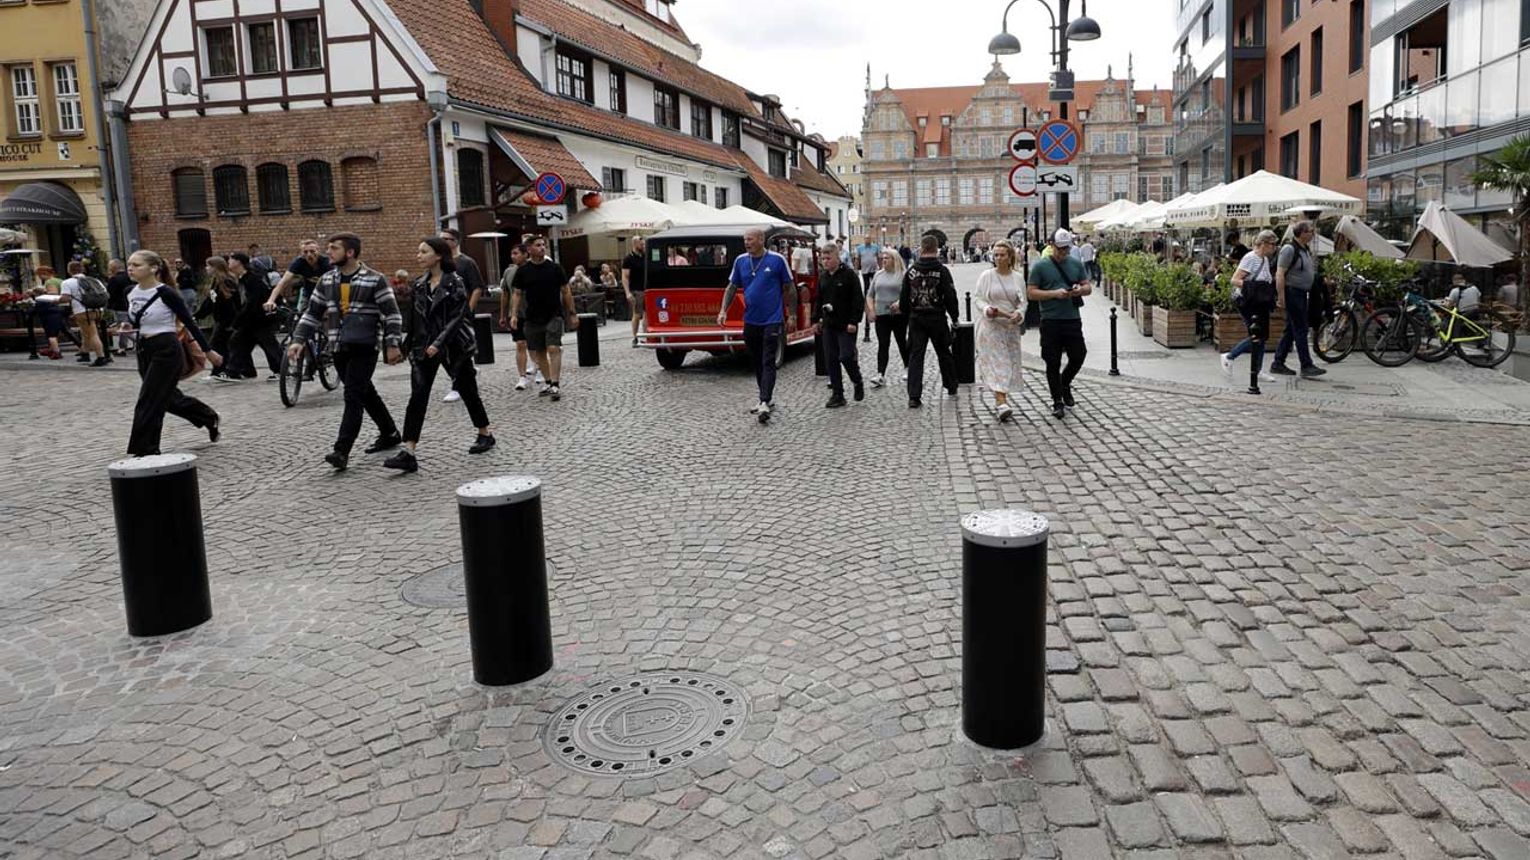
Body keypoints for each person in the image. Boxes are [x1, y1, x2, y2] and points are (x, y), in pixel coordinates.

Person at [288, 233, 404, 471]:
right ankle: (390, 432)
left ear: (350, 253)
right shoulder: (327, 280)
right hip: (338, 346)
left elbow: (392, 315)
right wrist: (298, 339)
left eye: (334, 248)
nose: (328, 252)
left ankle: (341, 450)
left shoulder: (375, 279)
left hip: (365, 346)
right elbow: (312, 313)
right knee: (364, 392)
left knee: (352, 395)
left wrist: (392, 344)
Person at [385, 238, 496, 473]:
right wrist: (405, 347)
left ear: (438, 256)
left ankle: (484, 432)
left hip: (454, 347)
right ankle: (409, 450)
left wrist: (439, 343)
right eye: (418, 251)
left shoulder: (455, 283)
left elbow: (458, 317)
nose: (419, 255)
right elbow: (413, 321)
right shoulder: (418, 285)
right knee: (418, 396)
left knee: (467, 390)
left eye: (424, 251)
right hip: (424, 348)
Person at [120, 250, 223, 456]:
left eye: (137, 265)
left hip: (166, 348)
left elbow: (189, 322)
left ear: (154, 268)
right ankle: (207, 416)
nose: (131, 268)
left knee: (149, 399)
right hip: (144, 348)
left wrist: (208, 351)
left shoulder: (166, 293)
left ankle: (146, 450)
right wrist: (126, 325)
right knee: (167, 398)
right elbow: (138, 318)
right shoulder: (130, 291)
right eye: (129, 264)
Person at [717, 227, 796, 422]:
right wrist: (723, 311)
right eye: (745, 240)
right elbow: (732, 287)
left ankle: (764, 400)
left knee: (768, 359)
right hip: (751, 320)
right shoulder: (740, 261)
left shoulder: (777, 260)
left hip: (772, 319)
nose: (747, 243)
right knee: (758, 360)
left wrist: (792, 314)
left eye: (750, 239)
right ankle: (765, 398)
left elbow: (790, 288)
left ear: (761, 240)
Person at [1027, 229, 1093, 419]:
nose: (1064, 252)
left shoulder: (1074, 263)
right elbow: (1031, 292)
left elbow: (1087, 287)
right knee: (1052, 362)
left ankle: (1065, 383)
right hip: (1050, 320)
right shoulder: (1040, 266)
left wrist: (1080, 290)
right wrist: (1054, 294)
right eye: (1060, 248)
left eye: (1066, 248)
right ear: (1051, 245)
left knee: (1079, 355)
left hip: (1072, 319)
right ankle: (1057, 401)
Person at [507, 236, 577, 402]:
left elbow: (566, 291)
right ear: (529, 249)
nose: (542, 248)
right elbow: (516, 293)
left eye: (543, 245)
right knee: (539, 351)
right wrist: (514, 314)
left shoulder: (555, 268)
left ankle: (555, 384)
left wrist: (572, 313)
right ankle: (547, 381)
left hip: (554, 314)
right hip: (532, 316)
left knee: (553, 347)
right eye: (538, 245)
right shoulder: (523, 271)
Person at [893, 234, 959, 408]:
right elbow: (950, 296)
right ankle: (951, 386)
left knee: (916, 357)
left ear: (921, 249)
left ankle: (914, 396)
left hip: (917, 319)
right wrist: (955, 317)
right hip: (937, 317)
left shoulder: (911, 271)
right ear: (936, 249)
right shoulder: (942, 271)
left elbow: (904, 298)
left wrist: (908, 316)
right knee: (944, 352)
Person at [1221, 230, 1281, 395]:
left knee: (1262, 336)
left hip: (1259, 303)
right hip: (1248, 302)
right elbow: (1235, 279)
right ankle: (1230, 356)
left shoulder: (1264, 259)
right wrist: (1254, 288)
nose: (1274, 247)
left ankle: (1258, 370)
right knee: (1257, 335)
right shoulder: (1250, 258)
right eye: (1272, 244)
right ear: (1262, 244)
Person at [975, 239, 1027, 422]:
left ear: (1010, 256)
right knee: (998, 362)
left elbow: (1023, 302)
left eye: (1002, 255)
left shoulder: (1017, 278)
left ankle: (1001, 398)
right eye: (995, 255)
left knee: (1009, 362)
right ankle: (1001, 401)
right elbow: (978, 298)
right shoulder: (986, 276)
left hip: (1010, 326)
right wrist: (986, 309)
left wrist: (1020, 313)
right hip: (991, 326)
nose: (998, 258)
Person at [1269, 220, 1326, 378]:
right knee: (1301, 328)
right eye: (1310, 231)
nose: (1312, 234)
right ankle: (1306, 365)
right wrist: (1281, 297)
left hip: (1300, 293)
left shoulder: (1304, 249)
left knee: (1291, 329)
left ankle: (1278, 362)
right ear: (1301, 233)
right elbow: (1280, 274)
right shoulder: (1289, 249)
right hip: (1292, 293)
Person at [438, 229, 486, 404]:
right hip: (443, 314)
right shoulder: (440, 263)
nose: (442, 242)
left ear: (455, 241)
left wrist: (468, 311)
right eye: (440, 238)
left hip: (460, 315)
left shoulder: (467, 263)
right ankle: (466, 373)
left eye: (446, 239)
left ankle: (457, 386)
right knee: (443, 351)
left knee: (459, 349)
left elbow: (477, 288)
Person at [815, 244, 865, 408]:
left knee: (845, 356)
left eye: (828, 258)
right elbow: (819, 299)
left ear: (837, 257)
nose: (825, 261)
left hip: (846, 324)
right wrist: (817, 319)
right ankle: (838, 394)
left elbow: (858, 299)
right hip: (829, 324)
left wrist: (854, 321)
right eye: (823, 258)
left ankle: (857, 380)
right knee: (831, 359)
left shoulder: (849, 275)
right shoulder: (823, 277)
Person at [226, 252, 282, 380]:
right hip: (249, 320)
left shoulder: (252, 279)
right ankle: (235, 371)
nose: (228, 261)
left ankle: (282, 370)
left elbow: (253, 301)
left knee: (269, 344)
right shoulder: (243, 278)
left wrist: (239, 319)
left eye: (231, 259)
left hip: (259, 319)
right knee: (238, 342)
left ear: (238, 262)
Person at [500, 243, 543, 390]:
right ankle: (522, 376)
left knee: (535, 343)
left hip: (533, 312)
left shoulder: (534, 269)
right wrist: (504, 314)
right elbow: (505, 294)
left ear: (526, 254)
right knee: (520, 343)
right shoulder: (508, 272)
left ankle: (539, 368)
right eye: (512, 254)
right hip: (516, 313)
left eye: (516, 253)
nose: (513, 256)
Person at [865, 247, 908, 388]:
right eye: (882, 258)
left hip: (898, 315)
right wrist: (871, 310)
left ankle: (907, 367)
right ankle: (880, 374)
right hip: (881, 315)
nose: (883, 260)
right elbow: (870, 295)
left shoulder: (902, 274)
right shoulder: (878, 275)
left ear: (894, 259)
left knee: (901, 341)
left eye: (886, 258)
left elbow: (908, 294)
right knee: (883, 344)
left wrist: (899, 303)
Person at [198, 256, 242, 378]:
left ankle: (221, 371)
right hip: (220, 319)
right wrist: (198, 315)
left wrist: (232, 322)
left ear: (215, 267)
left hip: (227, 320)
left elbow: (233, 303)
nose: (206, 268)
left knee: (216, 345)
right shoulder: (215, 282)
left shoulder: (227, 281)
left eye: (208, 266)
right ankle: (222, 370)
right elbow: (210, 302)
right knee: (222, 345)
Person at [59, 261, 109, 366]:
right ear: (83, 269)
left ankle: (101, 357)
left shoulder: (67, 282)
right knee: (85, 332)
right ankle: (85, 353)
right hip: (98, 309)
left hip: (82, 310)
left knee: (92, 334)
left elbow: (65, 298)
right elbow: (105, 293)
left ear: (69, 270)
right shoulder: (95, 280)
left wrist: (55, 300)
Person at [264, 239, 332, 313]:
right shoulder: (299, 262)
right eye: (305, 252)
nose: (309, 254)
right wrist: (271, 300)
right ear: (301, 253)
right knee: (300, 316)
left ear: (318, 251)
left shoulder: (326, 263)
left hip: (327, 294)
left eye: (312, 251)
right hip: (309, 295)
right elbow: (283, 282)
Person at [622, 237, 648, 347]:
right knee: (637, 314)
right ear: (635, 244)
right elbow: (625, 277)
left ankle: (647, 337)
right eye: (641, 244)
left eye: (643, 244)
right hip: (636, 290)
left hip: (647, 289)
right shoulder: (628, 258)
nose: (643, 246)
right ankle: (635, 337)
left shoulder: (645, 256)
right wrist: (627, 292)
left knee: (647, 315)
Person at [106, 258, 135, 355]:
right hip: (132, 305)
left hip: (120, 306)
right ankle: (122, 347)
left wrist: (109, 306)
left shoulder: (114, 279)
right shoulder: (131, 277)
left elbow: (111, 294)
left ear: (114, 268)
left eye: (110, 267)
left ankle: (139, 342)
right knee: (126, 326)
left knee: (123, 327)